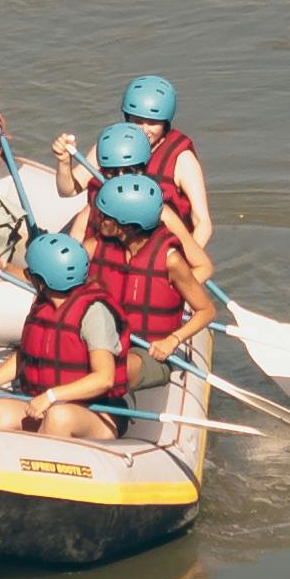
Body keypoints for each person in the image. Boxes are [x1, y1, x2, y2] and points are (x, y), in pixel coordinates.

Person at [0, 217, 131, 438]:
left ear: (41, 280)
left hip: (96, 412)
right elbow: (26, 357)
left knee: (58, 417)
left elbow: (104, 378)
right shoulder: (44, 304)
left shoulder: (94, 313)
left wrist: (51, 396)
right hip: (46, 405)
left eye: (31, 273)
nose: (28, 275)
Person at [83, 157, 209, 399]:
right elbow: (55, 276)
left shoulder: (170, 260)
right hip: (107, 342)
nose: (100, 219)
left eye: (107, 217)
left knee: (112, 367)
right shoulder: (95, 246)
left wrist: (173, 340)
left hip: (149, 353)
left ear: (128, 226)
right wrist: (3, 268)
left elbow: (206, 311)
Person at [116, 72, 216, 260]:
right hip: (123, 248)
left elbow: (203, 222)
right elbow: (68, 190)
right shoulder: (113, 145)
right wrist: (64, 161)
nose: (144, 130)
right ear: (127, 118)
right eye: (137, 121)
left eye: (153, 123)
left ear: (165, 123)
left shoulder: (182, 159)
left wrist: (183, 265)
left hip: (164, 254)